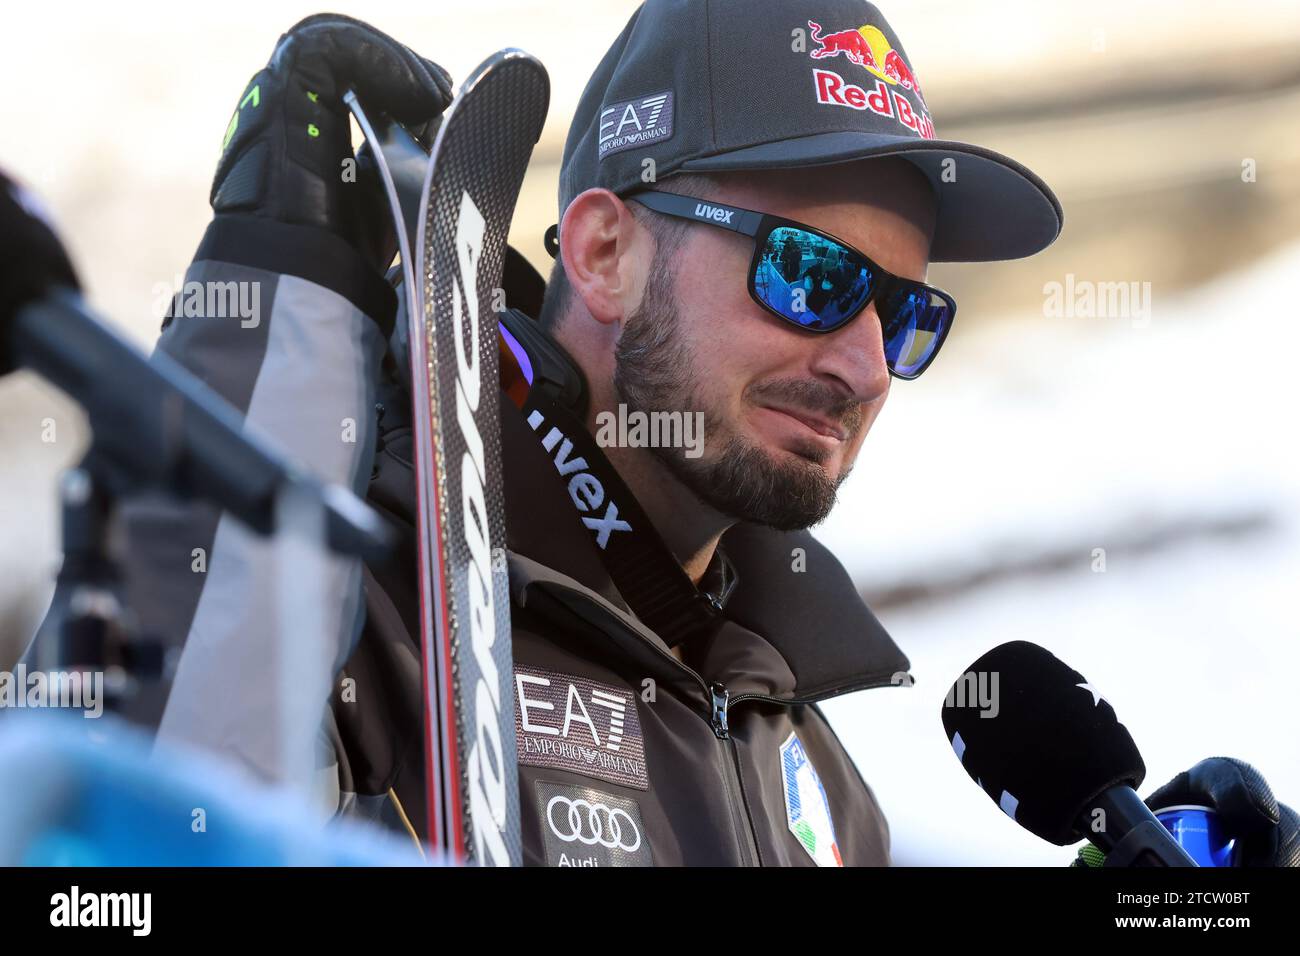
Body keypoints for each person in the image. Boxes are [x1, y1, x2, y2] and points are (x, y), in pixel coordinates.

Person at [51, 1, 1294, 867]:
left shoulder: (807, 768)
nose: (865, 361)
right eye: (810, 272)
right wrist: (277, 295)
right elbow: (111, 833)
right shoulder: (356, 615)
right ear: (600, 250)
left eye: (908, 313)